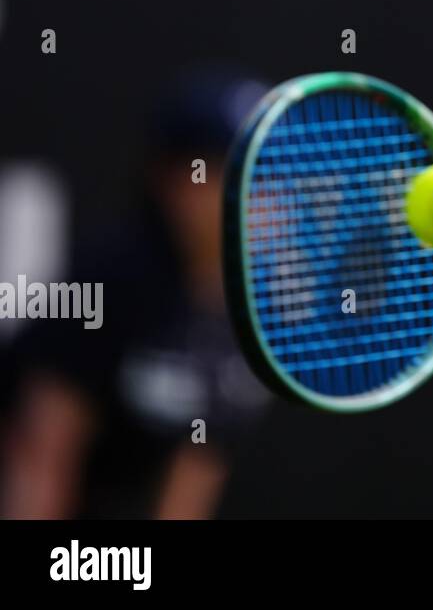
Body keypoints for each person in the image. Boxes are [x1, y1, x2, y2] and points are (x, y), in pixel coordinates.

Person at [1, 66, 272, 519]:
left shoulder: (256, 306)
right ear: (172, 181)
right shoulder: (108, 283)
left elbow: (197, 466)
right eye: (230, 170)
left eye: (266, 171)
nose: (257, 193)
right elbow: (40, 460)